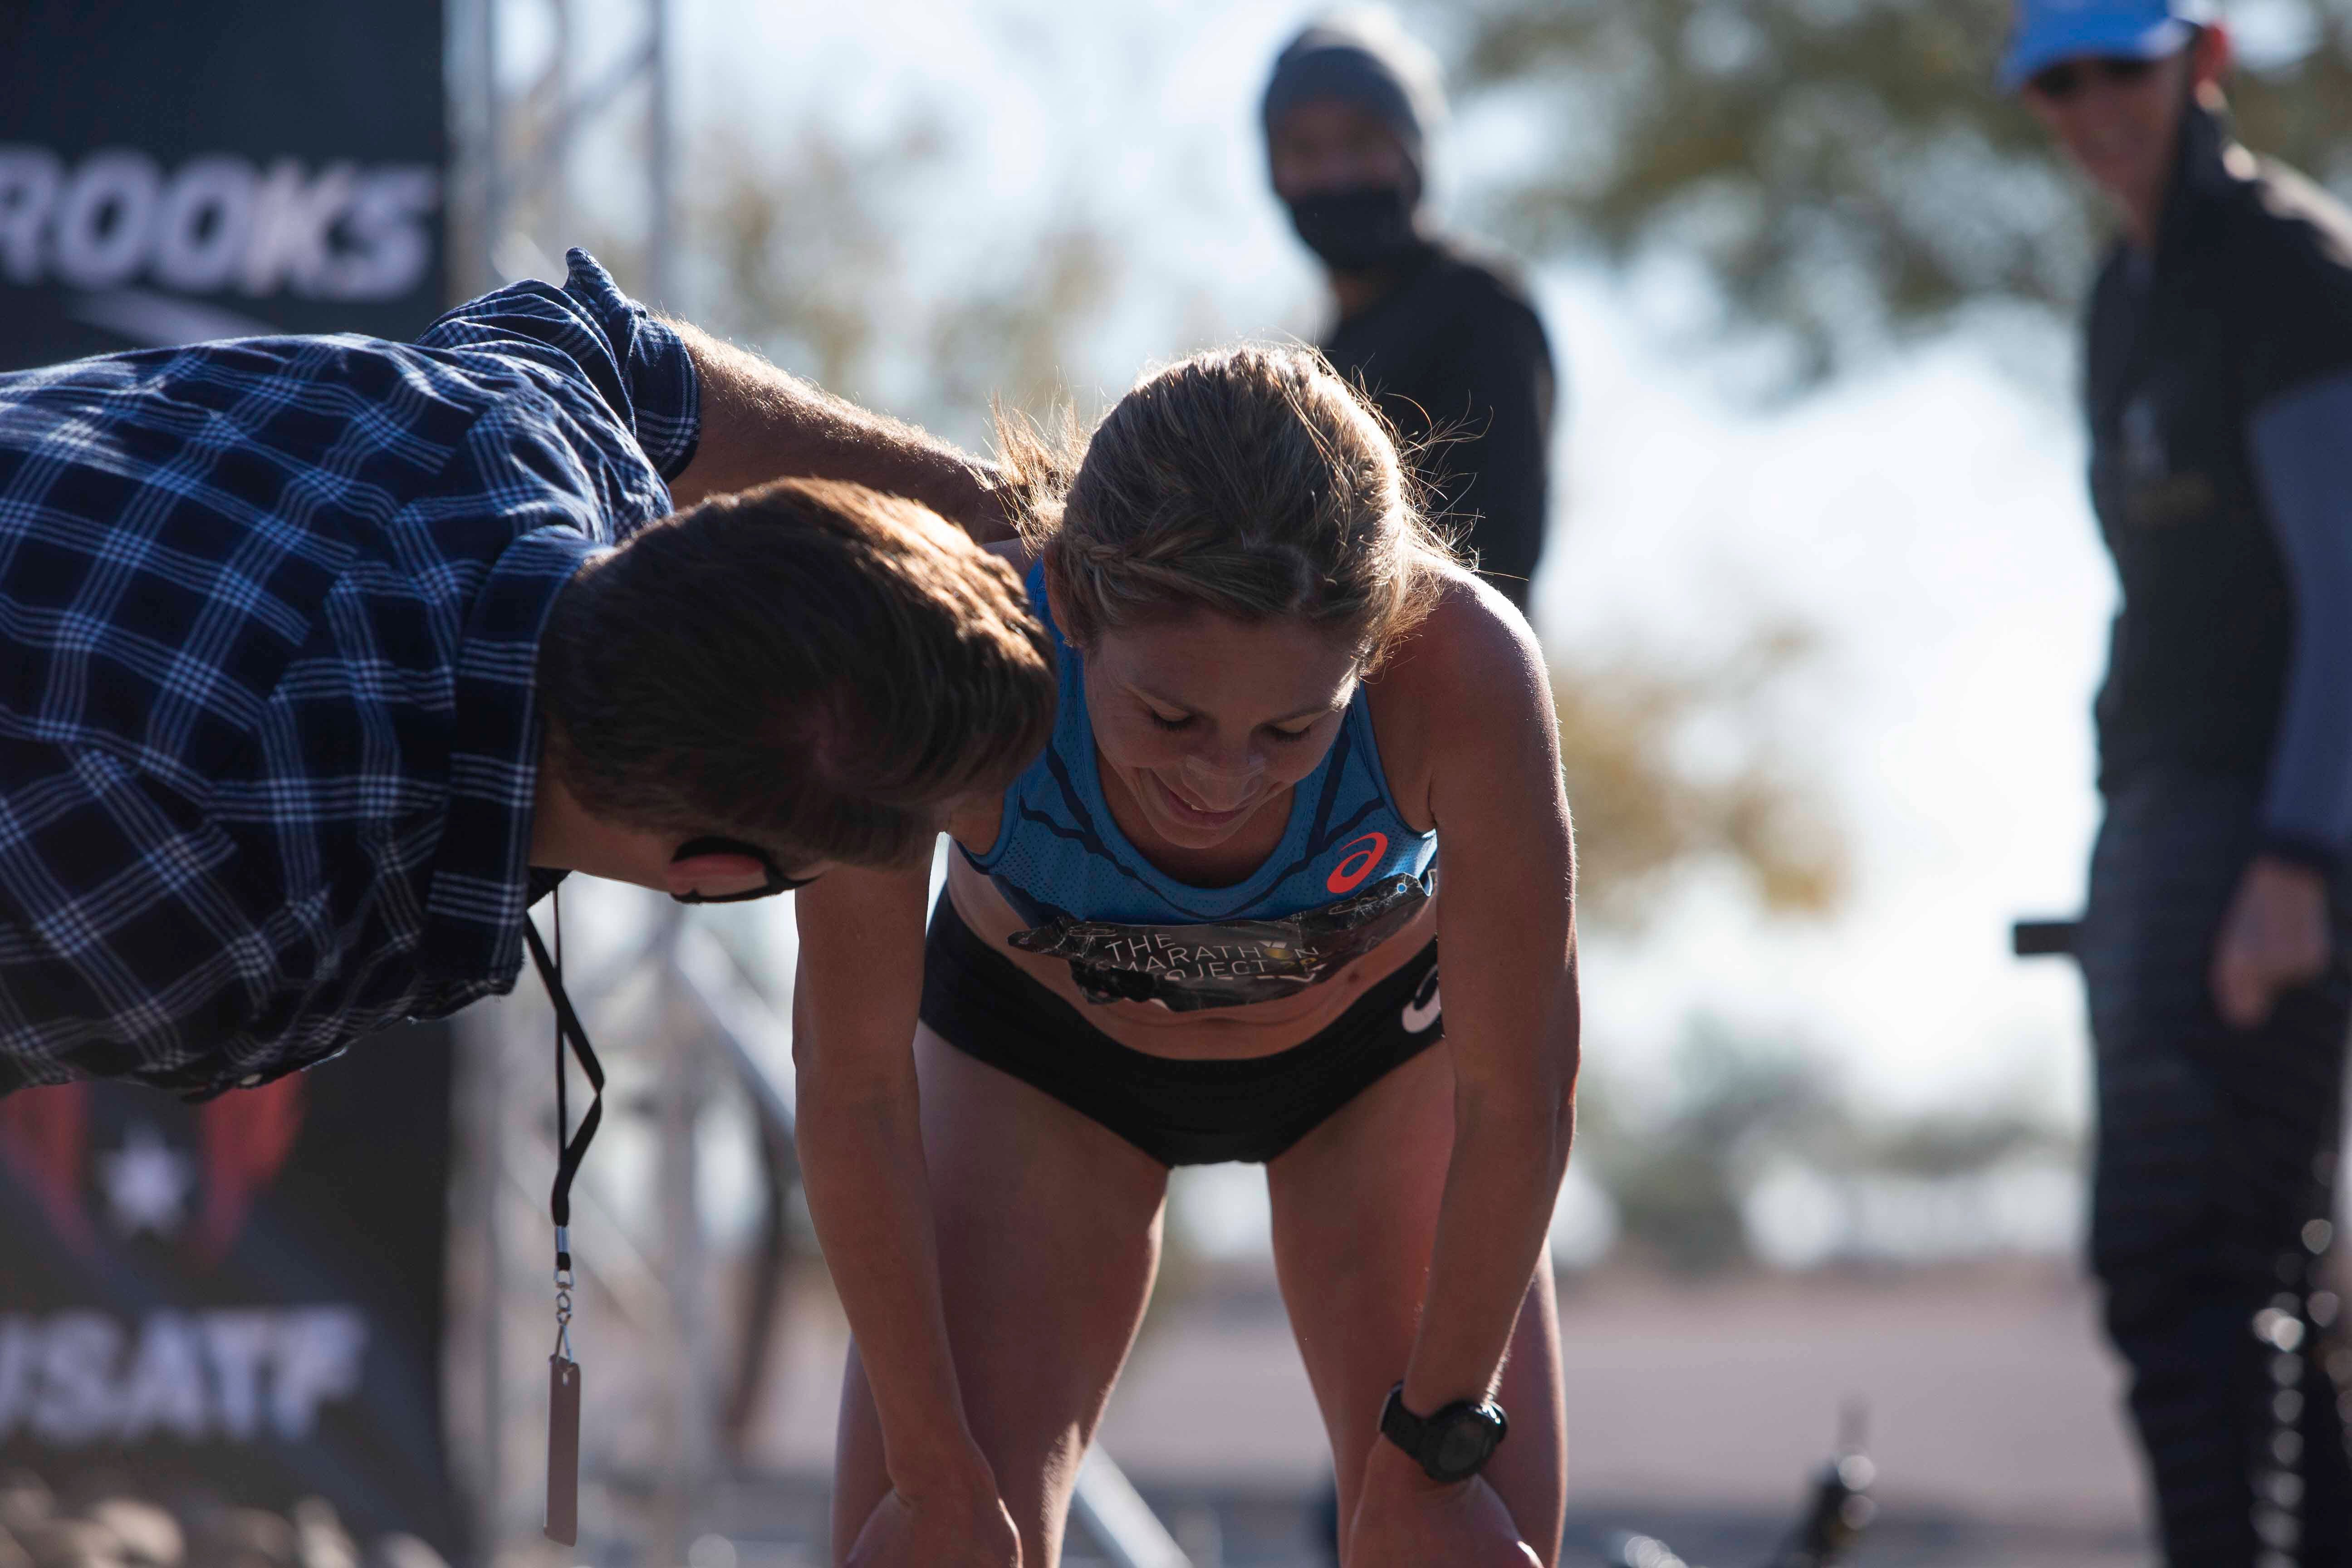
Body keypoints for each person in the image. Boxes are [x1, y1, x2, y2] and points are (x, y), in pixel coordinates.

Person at [794, 344, 1579, 1568]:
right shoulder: (941, 662)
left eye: (1289, 728)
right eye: (1171, 718)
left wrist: (1435, 1454)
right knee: (935, 1543)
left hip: (1370, 1072)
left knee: (1457, 1544)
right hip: (1040, 1068)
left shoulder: (1463, 668)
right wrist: (928, 1457)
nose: (1224, 776)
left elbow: (1515, 1099)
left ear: (1370, 656)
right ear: (1072, 605)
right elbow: (853, 1092)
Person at [0, 249, 1055, 1100]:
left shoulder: (536, 430)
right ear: (719, 875)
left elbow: (607, 345)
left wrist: (1001, 511)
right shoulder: (235, 890)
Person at [2004, 2, 2352, 1560]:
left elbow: (2346, 586)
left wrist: (2294, 856)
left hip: (2262, 832)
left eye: (2119, 67)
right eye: (2057, 79)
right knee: (2243, 1274)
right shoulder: (2115, 299)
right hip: (2159, 824)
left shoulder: (2283, 269)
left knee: (2189, 1267)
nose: (2091, 105)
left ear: (2199, 59)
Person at [1263, 11, 1557, 617]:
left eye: (1361, 143)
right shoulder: (1318, 358)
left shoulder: (1479, 307)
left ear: (1412, 149)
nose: (1334, 174)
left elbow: (1492, 560)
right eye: (1305, 150)